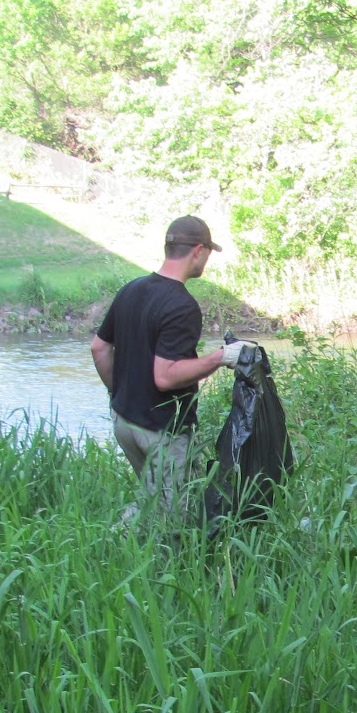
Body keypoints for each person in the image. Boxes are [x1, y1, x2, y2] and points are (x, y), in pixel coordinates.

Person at [90, 215, 249, 514]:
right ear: (199, 251)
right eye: (208, 254)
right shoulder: (182, 305)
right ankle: (136, 551)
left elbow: (99, 348)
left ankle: (118, 550)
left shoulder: (131, 289)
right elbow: (165, 376)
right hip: (162, 432)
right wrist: (221, 357)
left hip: (125, 422)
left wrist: (120, 394)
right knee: (176, 518)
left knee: (152, 502)